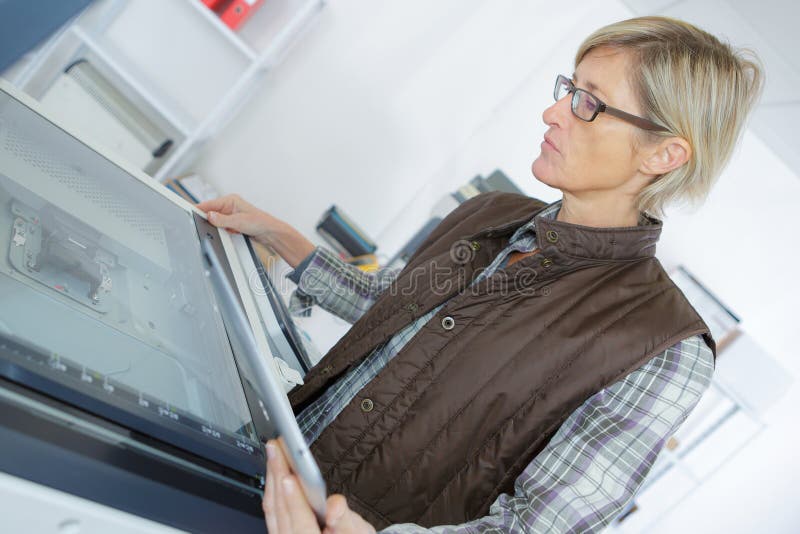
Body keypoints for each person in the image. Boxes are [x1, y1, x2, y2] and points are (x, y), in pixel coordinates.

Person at [198, 15, 762, 534]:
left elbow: (531, 526)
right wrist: (280, 237)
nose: (554, 111)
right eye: (569, 89)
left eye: (589, 103)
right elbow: (391, 311)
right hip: (251, 471)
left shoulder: (663, 348)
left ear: (663, 155)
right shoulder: (492, 215)